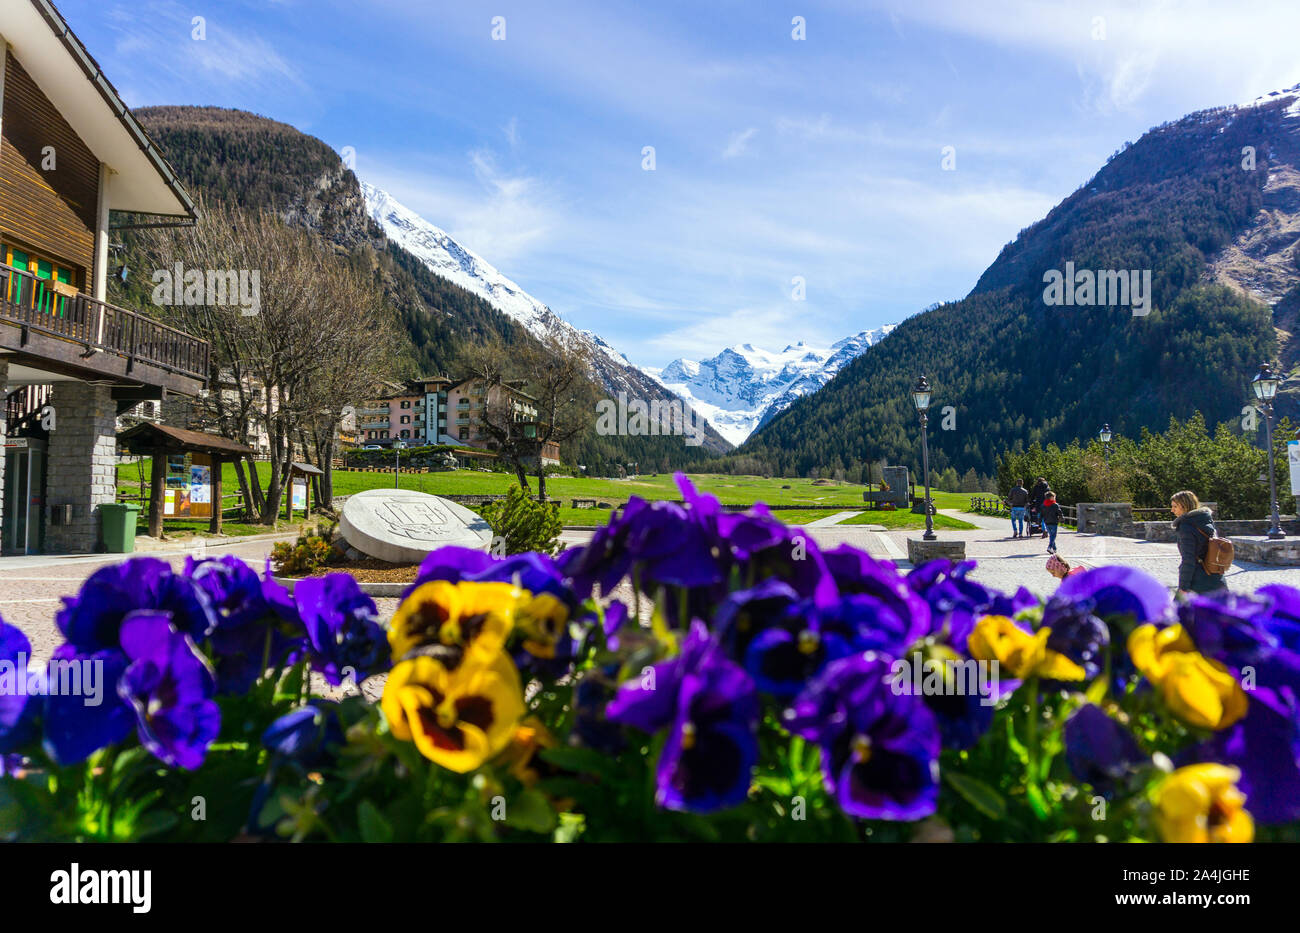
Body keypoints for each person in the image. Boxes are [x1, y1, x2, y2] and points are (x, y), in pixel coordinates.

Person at [1171, 490, 1226, 596]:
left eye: (1175, 506)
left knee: (1177, 611)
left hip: (1198, 583)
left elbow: (1188, 560)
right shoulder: (1206, 520)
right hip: (1216, 578)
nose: (1172, 510)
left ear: (1184, 506)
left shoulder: (1186, 527)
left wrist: (1183, 587)